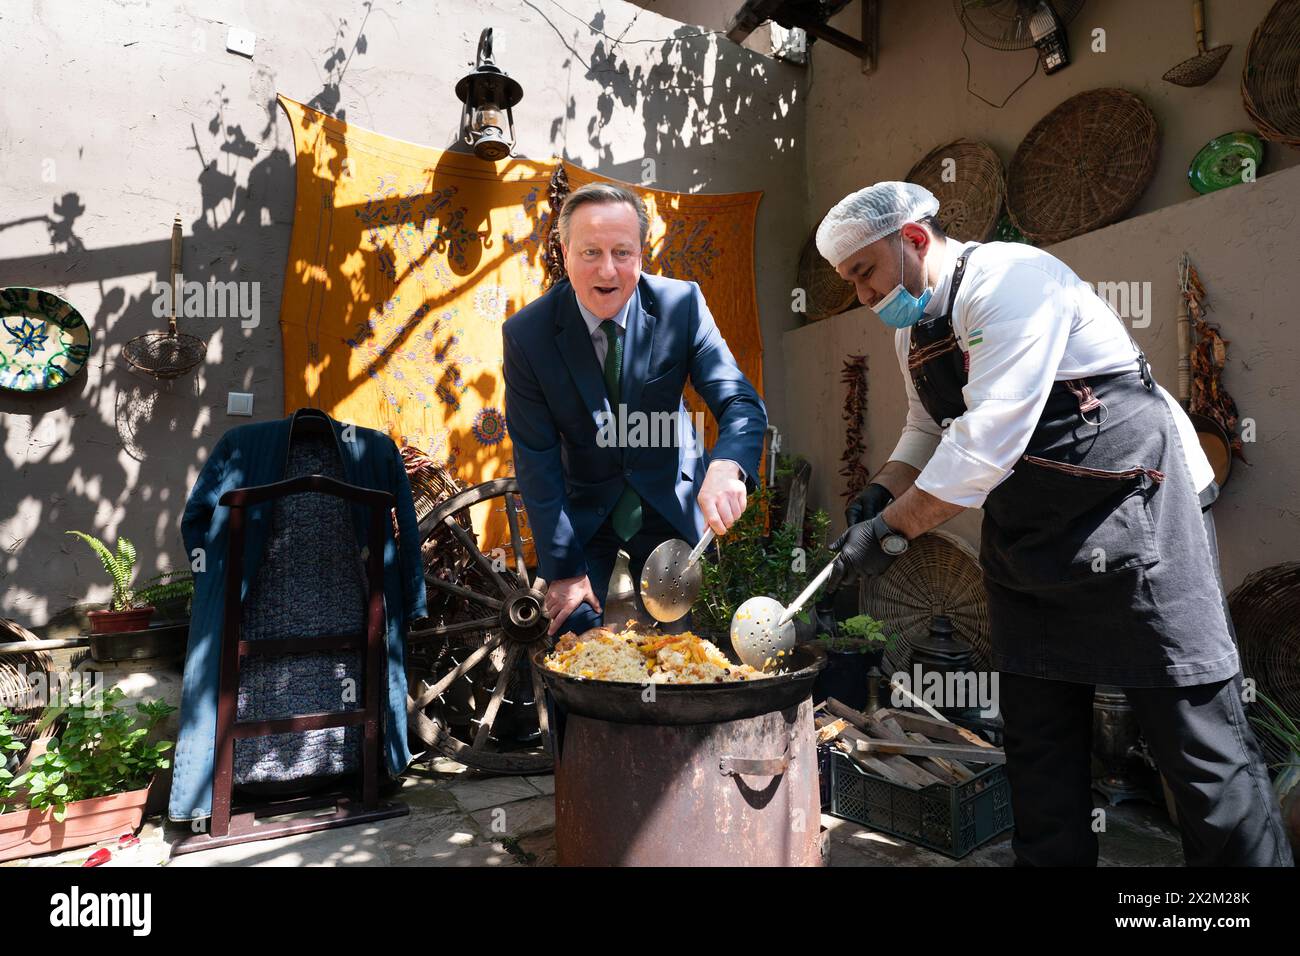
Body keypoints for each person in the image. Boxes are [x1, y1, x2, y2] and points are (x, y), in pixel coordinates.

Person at [817, 181, 1292, 867]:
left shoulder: (1013, 280)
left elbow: (983, 444)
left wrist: (892, 530)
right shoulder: (914, 330)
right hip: (1032, 537)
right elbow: (928, 425)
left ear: (914, 240)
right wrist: (881, 488)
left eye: (863, 273)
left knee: (1196, 743)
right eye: (849, 282)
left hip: (1137, 512)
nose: (861, 296)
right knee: (1039, 744)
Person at [503, 182, 766, 636]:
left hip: (671, 499)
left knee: (681, 655)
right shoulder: (527, 335)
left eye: (623, 252)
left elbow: (739, 400)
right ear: (565, 252)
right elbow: (536, 460)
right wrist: (564, 571)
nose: (608, 270)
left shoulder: (682, 306)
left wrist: (728, 466)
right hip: (583, 515)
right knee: (579, 651)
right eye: (591, 252)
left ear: (641, 253)